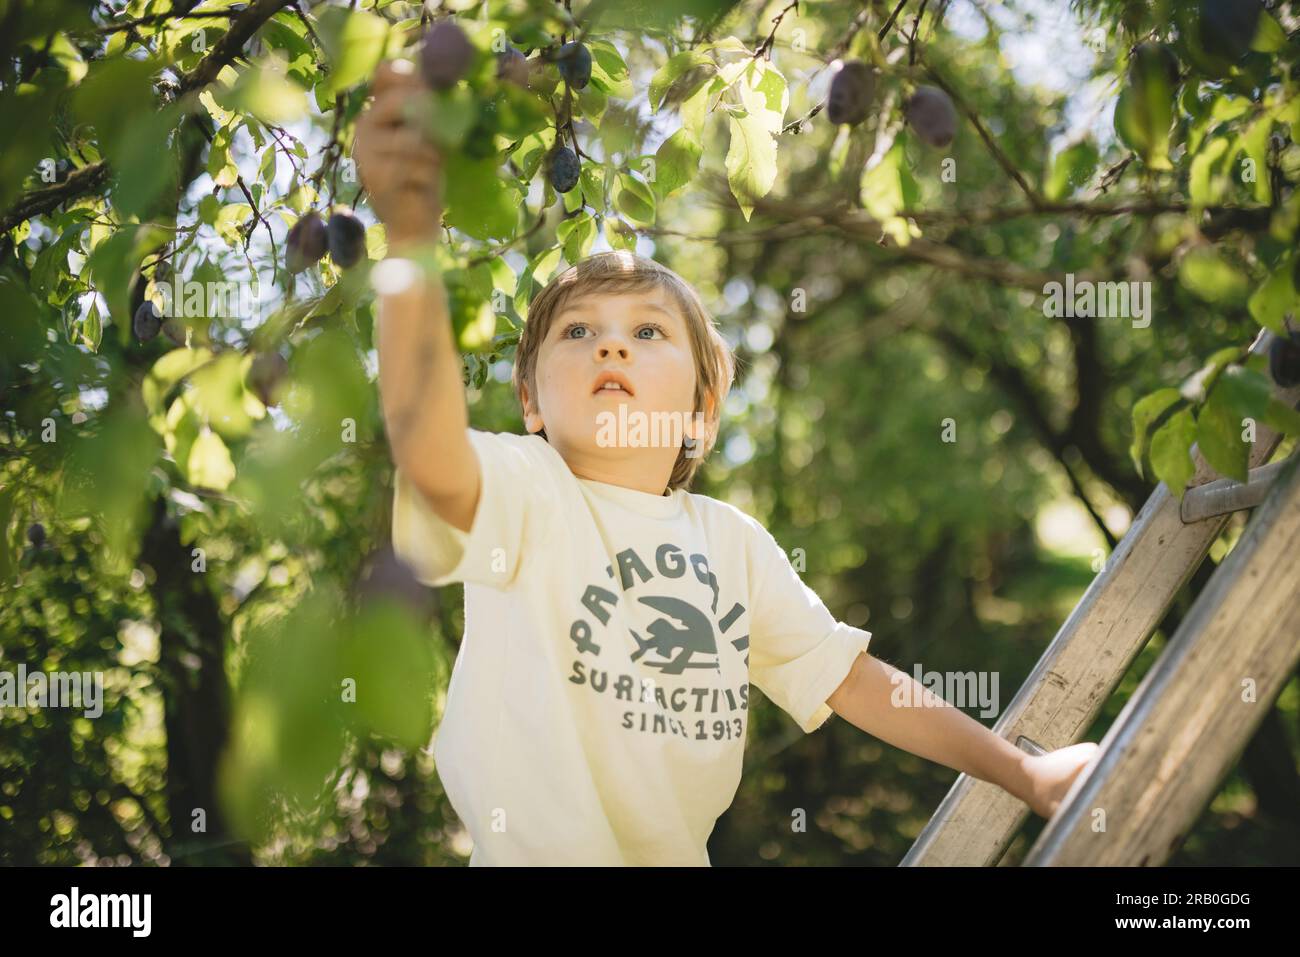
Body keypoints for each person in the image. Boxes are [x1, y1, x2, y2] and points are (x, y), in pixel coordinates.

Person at [354, 60, 1099, 866]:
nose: (610, 341)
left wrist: (1025, 772)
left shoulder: (732, 543)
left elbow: (854, 681)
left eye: (648, 332)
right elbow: (428, 446)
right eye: (577, 332)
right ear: (531, 405)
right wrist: (410, 243)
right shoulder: (527, 494)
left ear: (701, 411)